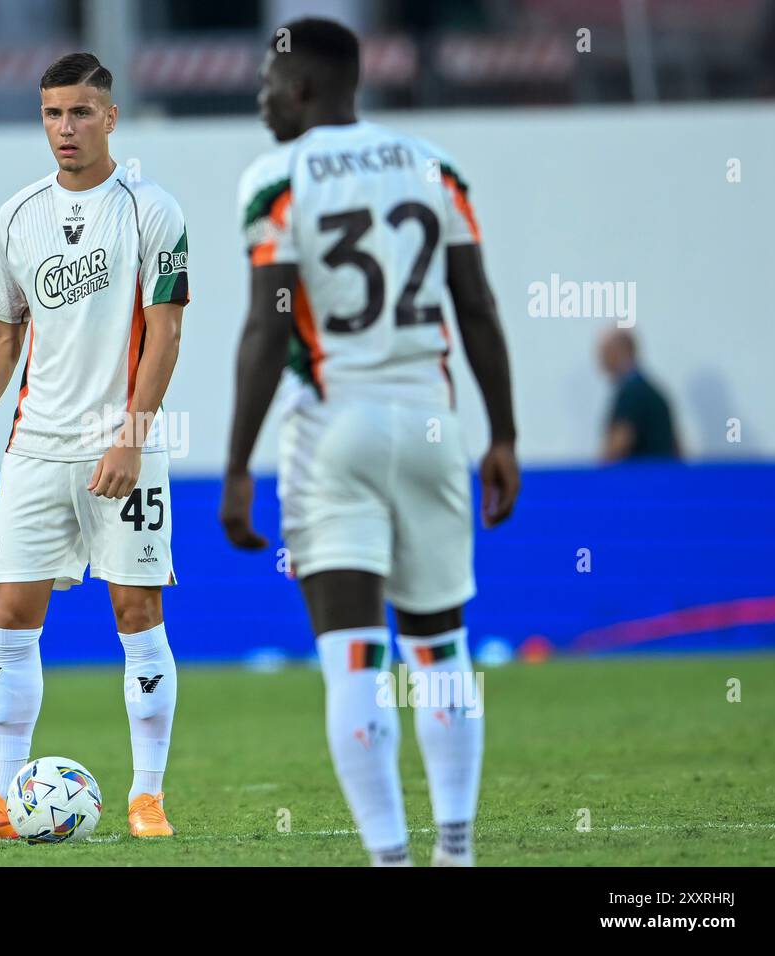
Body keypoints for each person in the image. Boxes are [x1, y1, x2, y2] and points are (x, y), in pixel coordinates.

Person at [221, 18, 519, 866]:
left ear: (304, 90)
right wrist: (505, 434)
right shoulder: (434, 166)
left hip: (335, 425)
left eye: (269, 85)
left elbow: (266, 329)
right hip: (432, 419)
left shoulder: (277, 178)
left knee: (354, 656)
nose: (260, 99)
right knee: (442, 647)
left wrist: (237, 464)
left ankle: (390, 857)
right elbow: (479, 307)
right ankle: (455, 853)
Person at [0, 52, 189, 840]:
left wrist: (132, 438)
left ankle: (147, 796)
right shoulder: (17, 216)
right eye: (52, 113)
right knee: (11, 613)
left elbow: (168, 331)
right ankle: (4, 804)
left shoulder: (153, 211)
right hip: (35, 448)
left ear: (111, 117)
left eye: (80, 112)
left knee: (136, 608)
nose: (65, 128)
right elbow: (2, 333)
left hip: (120, 445)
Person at [597, 329, 679, 460]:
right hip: (663, 475)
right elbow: (676, 446)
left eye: (604, 353)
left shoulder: (631, 393)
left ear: (619, 352)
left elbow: (618, 445)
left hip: (639, 477)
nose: (601, 362)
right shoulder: (655, 392)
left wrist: (596, 477)